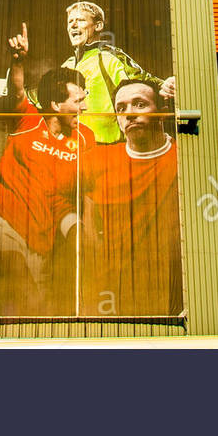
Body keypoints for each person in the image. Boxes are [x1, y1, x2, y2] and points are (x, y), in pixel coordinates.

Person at [0, 67, 93, 316]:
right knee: (19, 281)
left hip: (43, 241)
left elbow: (86, 192)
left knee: (36, 309)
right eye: (78, 101)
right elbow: (17, 90)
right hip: (5, 222)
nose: (84, 108)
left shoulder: (85, 138)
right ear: (55, 104)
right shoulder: (29, 120)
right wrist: (18, 61)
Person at [77, 79, 183, 317]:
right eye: (121, 108)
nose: (130, 114)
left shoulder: (184, 158)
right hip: (110, 293)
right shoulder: (98, 160)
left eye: (140, 104)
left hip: (170, 292)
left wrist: (189, 90)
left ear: (162, 113)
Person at [6, 1, 176, 144]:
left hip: (107, 149)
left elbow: (145, 83)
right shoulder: (68, 64)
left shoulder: (109, 56)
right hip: (75, 150)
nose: (72, 25)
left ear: (98, 26)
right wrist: (10, 82)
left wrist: (165, 86)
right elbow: (43, 98)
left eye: (79, 20)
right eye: (70, 21)